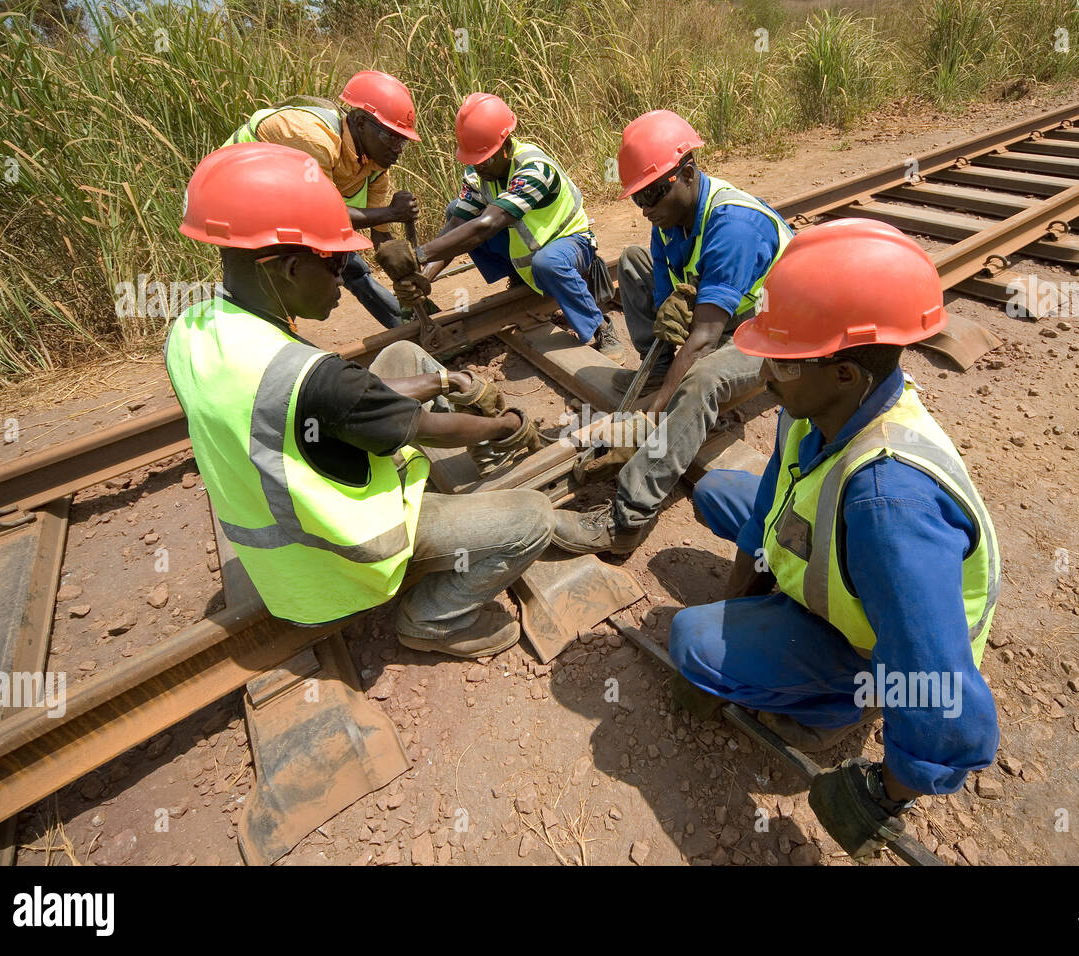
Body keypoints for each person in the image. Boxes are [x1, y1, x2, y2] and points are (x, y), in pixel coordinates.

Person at [667, 220, 1001, 858]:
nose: (765, 373)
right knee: (717, 494)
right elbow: (769, 506)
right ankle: (774, 638)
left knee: (692, 640)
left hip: (876, 650)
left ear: (845, 373)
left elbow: (946, 698)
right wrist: (740, 602)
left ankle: (834, 711)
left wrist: (887, 790)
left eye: (782, 360)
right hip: (843, 569)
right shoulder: (821, 409)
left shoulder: (888, 505)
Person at [165, 141, 551, 659]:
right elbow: (418, 425)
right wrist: (502, 425)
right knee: (535, 518)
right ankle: (435, 621)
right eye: (336, 261)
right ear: (286, 268)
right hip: (339, 551)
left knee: (404, 356)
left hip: (287, 516)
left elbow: (332, 406)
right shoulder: (315, 378)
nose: (347, 279)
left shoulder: (193, 330)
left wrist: (438, 383)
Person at [548, 109, 793, 555]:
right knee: (633, 262)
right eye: (639, 198)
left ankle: (627, 519)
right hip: (723, 318)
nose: (647, 208)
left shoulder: (732, 226)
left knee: (703, 379)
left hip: (775, 330)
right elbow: (667, 308)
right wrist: (673, 320)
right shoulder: (668, 222)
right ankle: (661, 377)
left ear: (687, 173)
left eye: (655, 194)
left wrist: (649, 418)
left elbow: (701, 338)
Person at [380, 92, 624, 361]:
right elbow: (459, 223)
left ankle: (600, 327)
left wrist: (418, 255)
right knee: (455, 212)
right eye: (473, 160)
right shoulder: (478, 172)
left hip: (571, 243)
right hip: (531, 250)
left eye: (484, 159)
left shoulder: (534, 168)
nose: (478, 166)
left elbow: (488, 224)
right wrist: (424, 275)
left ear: (505, 146)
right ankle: (521, 277)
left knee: (547, 262)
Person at [225, 71, 422, 329]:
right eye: (391, 137)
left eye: (403, 141)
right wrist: (394, 212)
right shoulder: (313, 138)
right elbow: (324, 215)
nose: (397, 148)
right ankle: (269, 343)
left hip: (280, 203)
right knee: (274, 276)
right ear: (361, 123)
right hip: (235, 197)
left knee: (349, 265)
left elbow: (380, 234)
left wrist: (405, 275)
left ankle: (407, 323)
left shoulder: (374, 167)